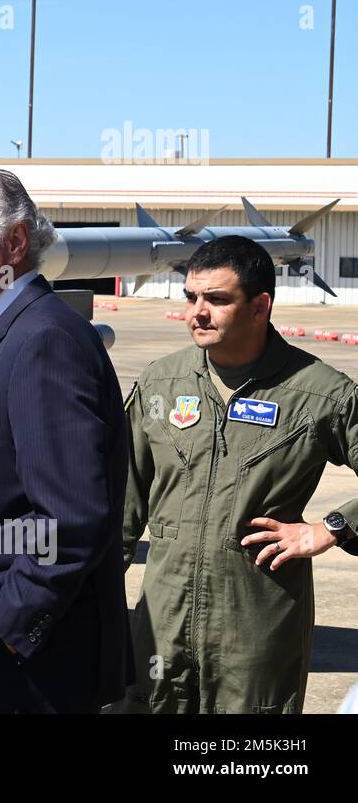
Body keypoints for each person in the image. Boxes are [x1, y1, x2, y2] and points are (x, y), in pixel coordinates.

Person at [0, 166, 131, 713]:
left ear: (14, 242)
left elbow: (71, 519)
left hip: (36, 665)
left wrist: (7, 626)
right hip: (9, 655)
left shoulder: (44, 341)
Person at [123, 235, 358, 714]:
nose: (197, 313)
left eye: (217, 299)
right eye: (191, 297)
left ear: (260, 306)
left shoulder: (317, 394)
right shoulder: (160, 384)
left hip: (255, 628)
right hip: (161, 624)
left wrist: (331, 527)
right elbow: (119, 502)